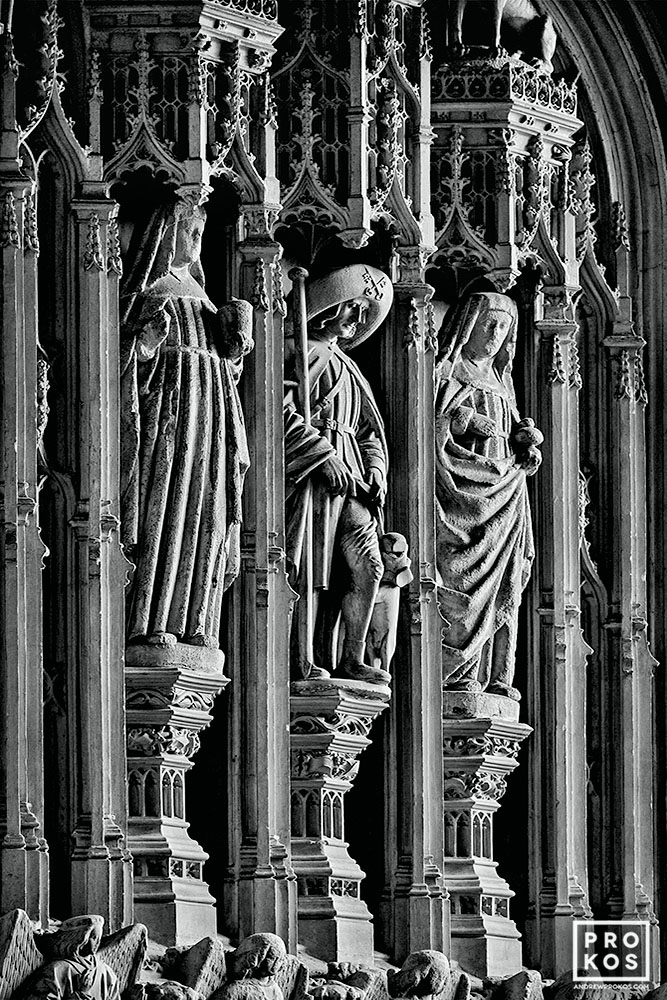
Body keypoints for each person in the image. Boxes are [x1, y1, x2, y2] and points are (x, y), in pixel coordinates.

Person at [120, 197, 253, 649]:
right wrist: (146, 346)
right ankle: (151, 621)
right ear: (165, 233)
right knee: (167, 511)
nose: (197, 243)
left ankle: (198, 619)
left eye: (200, 234)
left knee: (207, 515)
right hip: (170, 419)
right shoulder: (146, 291)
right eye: (190, 232)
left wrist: (233, 350)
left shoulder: (201, 296)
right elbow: (120, 365)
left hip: (211, 420)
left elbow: (225, 371)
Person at [284, 264, 394, 684]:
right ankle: (302, 656)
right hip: (314, 476)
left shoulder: (349, 368)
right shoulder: (301, 352)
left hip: (355, 482)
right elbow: (274, 409)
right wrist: (320, 453)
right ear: (329, 308)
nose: (359, 319)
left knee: (368, 567)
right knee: (313, 567)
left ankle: (351, 655)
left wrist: (377, 469)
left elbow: (369, 431)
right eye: (353, 308)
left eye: (366, 312)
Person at [435, 291, 542, 700]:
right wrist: (465, 419)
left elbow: (511, 433)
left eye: (503, 328)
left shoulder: (501, 382)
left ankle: (500, 674)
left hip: (507, 490)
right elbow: (432, 421)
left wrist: (524, 445)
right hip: (461, 493)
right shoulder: (449, 370)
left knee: (507, 581)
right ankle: (460, 674)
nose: (495, 335)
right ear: (469, 325)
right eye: (488, 324)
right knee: (461, 577)